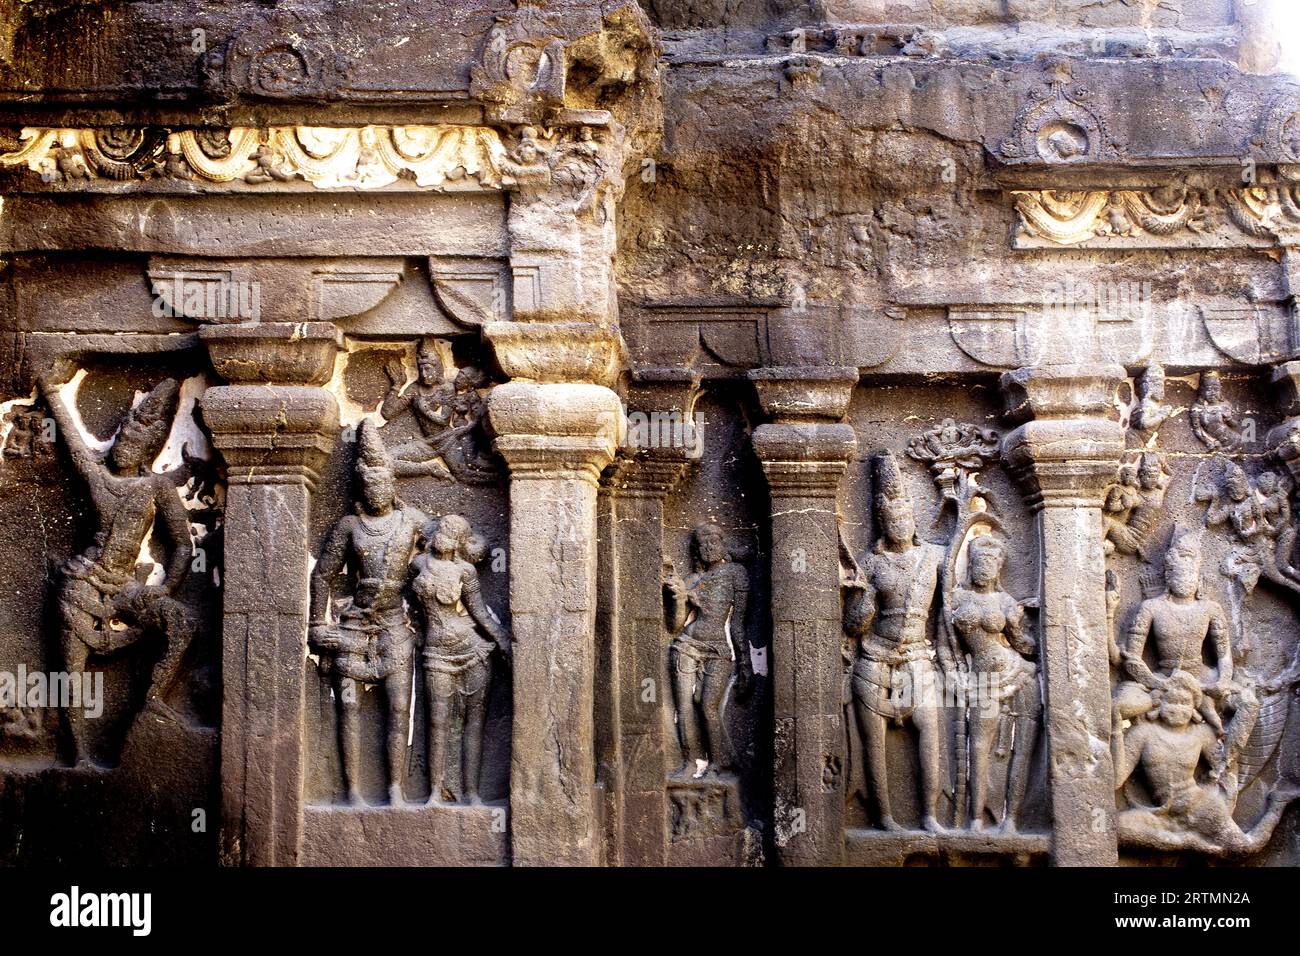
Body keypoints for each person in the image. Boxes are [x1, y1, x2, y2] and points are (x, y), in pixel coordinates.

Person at [39, 366, 194, 766]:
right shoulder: (96, 476)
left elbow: (183, 546)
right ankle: (79, 758)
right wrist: (49, 390)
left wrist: (166, 588)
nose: (124, 443)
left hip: (125, 587)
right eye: (123, 435)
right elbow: (72, 440)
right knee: (70, 675)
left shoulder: (156, 488)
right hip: (81, 582)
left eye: (134, 440)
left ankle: (152, 700)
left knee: (181, 624)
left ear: (151, 448)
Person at [309, 420, 427, 806]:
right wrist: (316, 623)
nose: (376, 491)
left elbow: (452, 542)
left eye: (383, 484)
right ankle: (353, 791)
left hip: (395, 626)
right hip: (354, 628)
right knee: (349, 708)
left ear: (393, 486)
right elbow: (322, 575)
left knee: (398, 708)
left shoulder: (411, 521)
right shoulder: (349, 526)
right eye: (369, 485)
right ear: (362, 489)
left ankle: (394, 788)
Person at [843, 452, 946, 832]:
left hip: (919, 658)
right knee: (875, 746)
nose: (900, 524)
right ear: (883, 525)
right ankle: (884, 816)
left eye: (905, 518)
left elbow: (949, 613)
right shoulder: (870, 564)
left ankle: (930, 816)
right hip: (874, 659)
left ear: (913, 520)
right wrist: (865, 601)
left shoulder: (934, 558)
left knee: (930, 735)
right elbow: (854, 627)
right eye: (892, 520)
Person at [410, 514, 510, 805]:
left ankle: (472, 793)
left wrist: (502, 640)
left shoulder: (465, 572)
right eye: (443, 528)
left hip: (471, 649)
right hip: (436, 651)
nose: (445, 535)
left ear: (459, 541)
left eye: (453, 533)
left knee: (473, 722)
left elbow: (478, 611)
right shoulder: (418, 563)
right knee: (437, 721)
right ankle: (433, 794)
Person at [948, 534, 1039, 833]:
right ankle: (975, 819)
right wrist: (955, 676)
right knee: (978, 747)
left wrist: (1020, 620)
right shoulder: (957, 597)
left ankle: (1011, 818)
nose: (985, 567)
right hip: (982, 680)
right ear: (971, 563)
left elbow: (1024, 646)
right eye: (980, 561)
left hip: (1017, 673)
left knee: (1020, 750)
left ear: (999, 567)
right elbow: (947, 646)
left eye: (992, 562)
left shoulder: (1005, 601)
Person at [663, 524, 753, 779]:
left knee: (708, 706)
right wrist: (680, 598)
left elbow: (738, 623)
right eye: (702, 544)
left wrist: (745, 663)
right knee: (684, 707)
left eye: (714, 540)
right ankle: (690, 762)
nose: (709, 547)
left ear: (724, 544)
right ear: (697, 551)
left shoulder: (736, 573)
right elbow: (675, 626)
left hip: (719, 649)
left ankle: (720, 762)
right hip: (686, 646)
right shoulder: (692, 580)